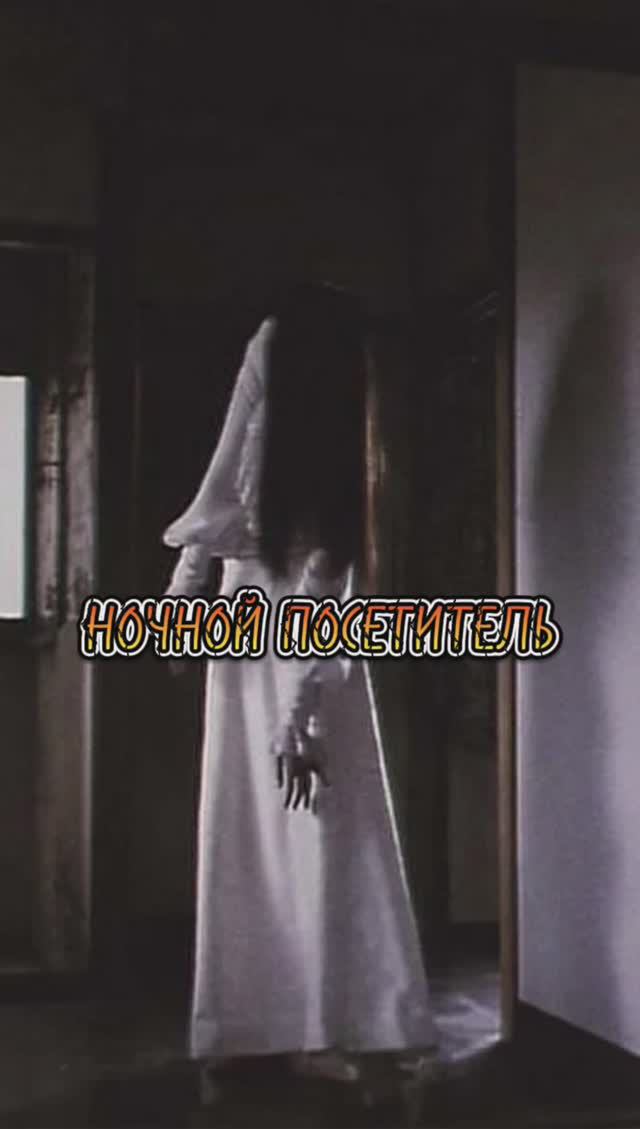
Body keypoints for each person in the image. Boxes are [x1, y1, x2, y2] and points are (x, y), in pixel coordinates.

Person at [162, 283, 437, 1092]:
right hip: (249, 619)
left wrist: (296, 720)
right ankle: (246, 1022)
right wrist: (182, 599)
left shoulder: (334, 478)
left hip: (305, 637)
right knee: (247, 820)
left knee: (316, 818)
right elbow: (217, 488)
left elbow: (323, 597)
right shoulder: (271, 354)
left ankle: (323, 1022)